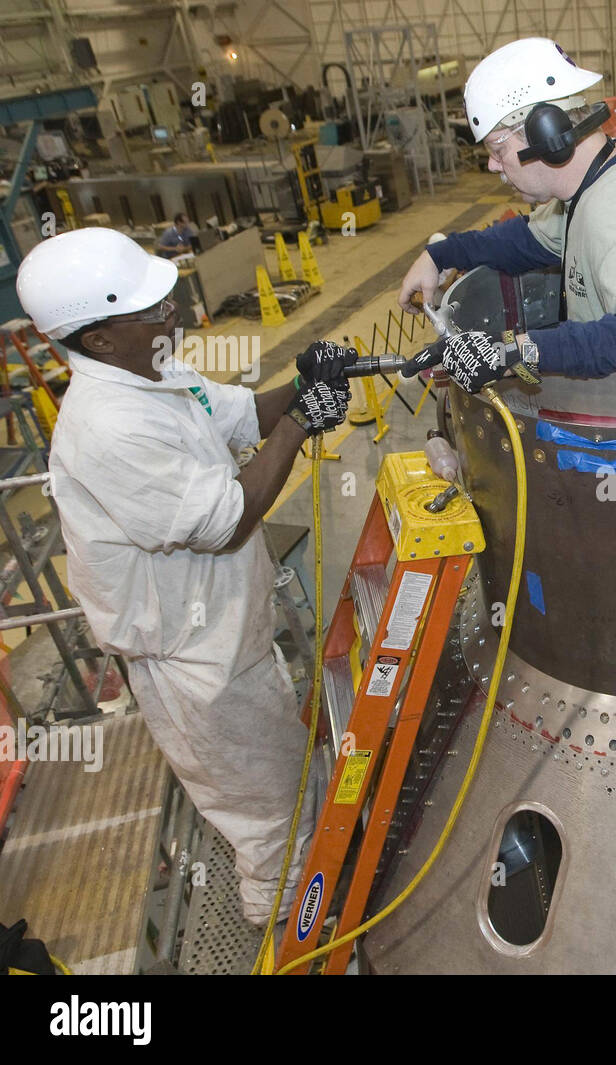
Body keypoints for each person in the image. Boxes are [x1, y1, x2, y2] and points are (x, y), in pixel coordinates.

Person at [16, 227, 354, 926]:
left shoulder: (156, 371)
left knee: (282, 770)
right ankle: (290, 927)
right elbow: (226, 517)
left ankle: (304, 893)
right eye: (151, 310)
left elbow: (236, 415)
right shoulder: (108, 426)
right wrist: (299, 423)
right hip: (191, 662)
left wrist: (306, 381)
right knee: (266, 809)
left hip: (228, 629)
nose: (171, 315)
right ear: (99, 339)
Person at [398, 37, 616, 393]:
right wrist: (440, 255)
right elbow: (526, 240)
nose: (492, 165)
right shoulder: (593, 183)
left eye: (497, 148)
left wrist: (514, 351)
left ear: (548, 134)